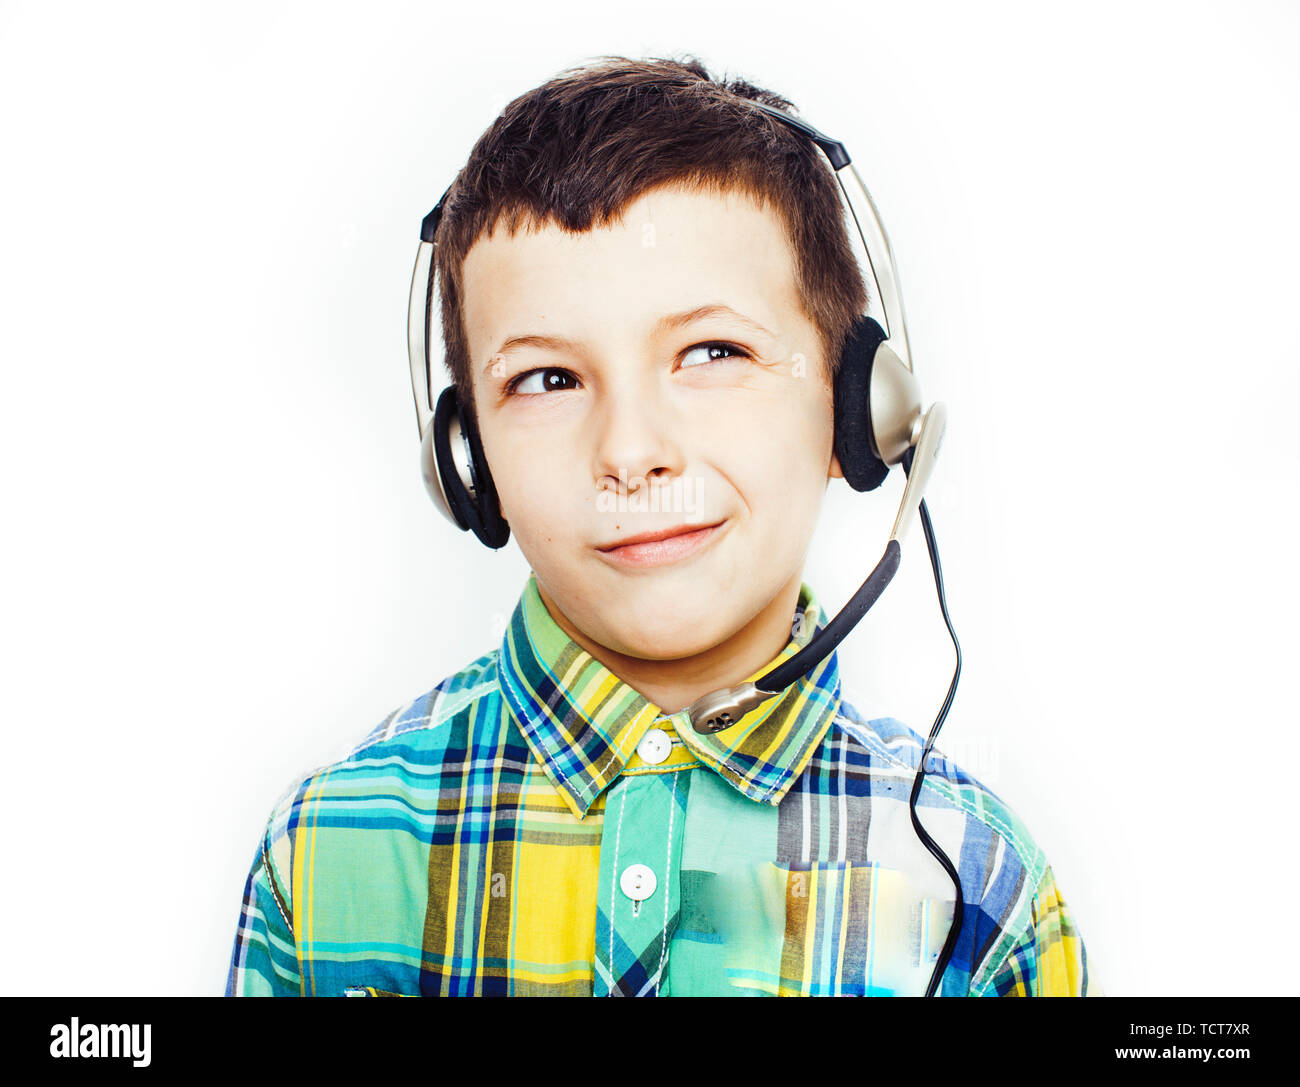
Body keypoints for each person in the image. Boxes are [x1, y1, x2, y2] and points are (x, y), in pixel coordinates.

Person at [225, 53, 1096, 997]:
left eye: (713, 351)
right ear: (468, 462)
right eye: (547, 379)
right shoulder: (327, 850)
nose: (631, 452)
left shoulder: (978, 885)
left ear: (861, 412)